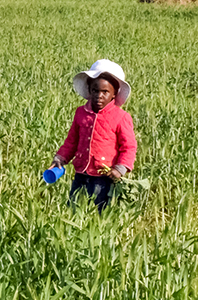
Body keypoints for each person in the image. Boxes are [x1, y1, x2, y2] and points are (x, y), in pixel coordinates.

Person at [51, 59, 137, 211]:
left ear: (114, 94)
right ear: (89, 90)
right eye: (95, 91)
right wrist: (61, 158)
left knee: (99, 211)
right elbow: (72, 141)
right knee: (74, 207)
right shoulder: (81, 113)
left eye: (105, 92)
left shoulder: (121, 117)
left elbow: (129, 146)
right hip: (81, 173)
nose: (99, 96)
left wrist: (120, 168)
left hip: (103, 177)